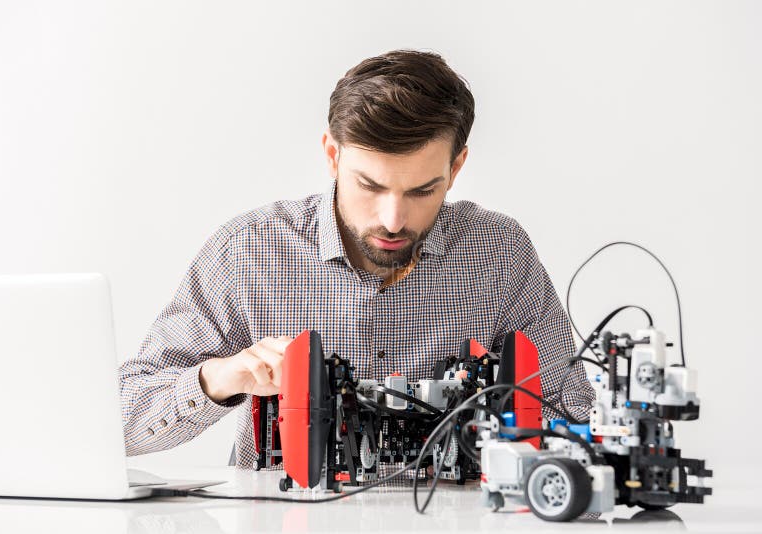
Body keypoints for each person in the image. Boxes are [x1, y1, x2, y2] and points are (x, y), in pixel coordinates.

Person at [119, 49, 595, 468]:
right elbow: (119, 418)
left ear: (456, 168)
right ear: (332, 154)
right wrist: (217, 379)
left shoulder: (499, 252)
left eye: (422, 191)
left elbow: (570, 412)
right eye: (369, 185)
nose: (393, 220)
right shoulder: (249, 250)